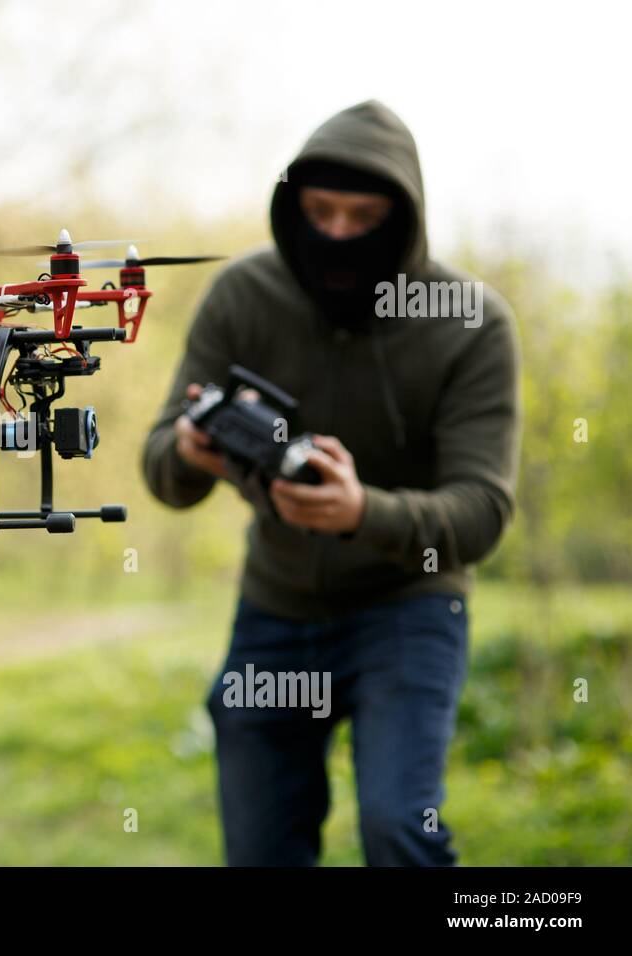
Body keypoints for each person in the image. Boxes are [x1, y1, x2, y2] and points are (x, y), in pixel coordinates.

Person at [141, 100, 522, 866]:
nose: (340, 233)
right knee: (259, 847)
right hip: (277, 608)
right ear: (292, 206)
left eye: (364, 215)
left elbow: (482, 512)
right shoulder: (244, 295)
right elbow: (159, 469)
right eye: (319, 212)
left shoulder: (472, 323)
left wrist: (361, 512)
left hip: (409, 607)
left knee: (396, 828)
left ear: (404, 217)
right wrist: (191, 454)